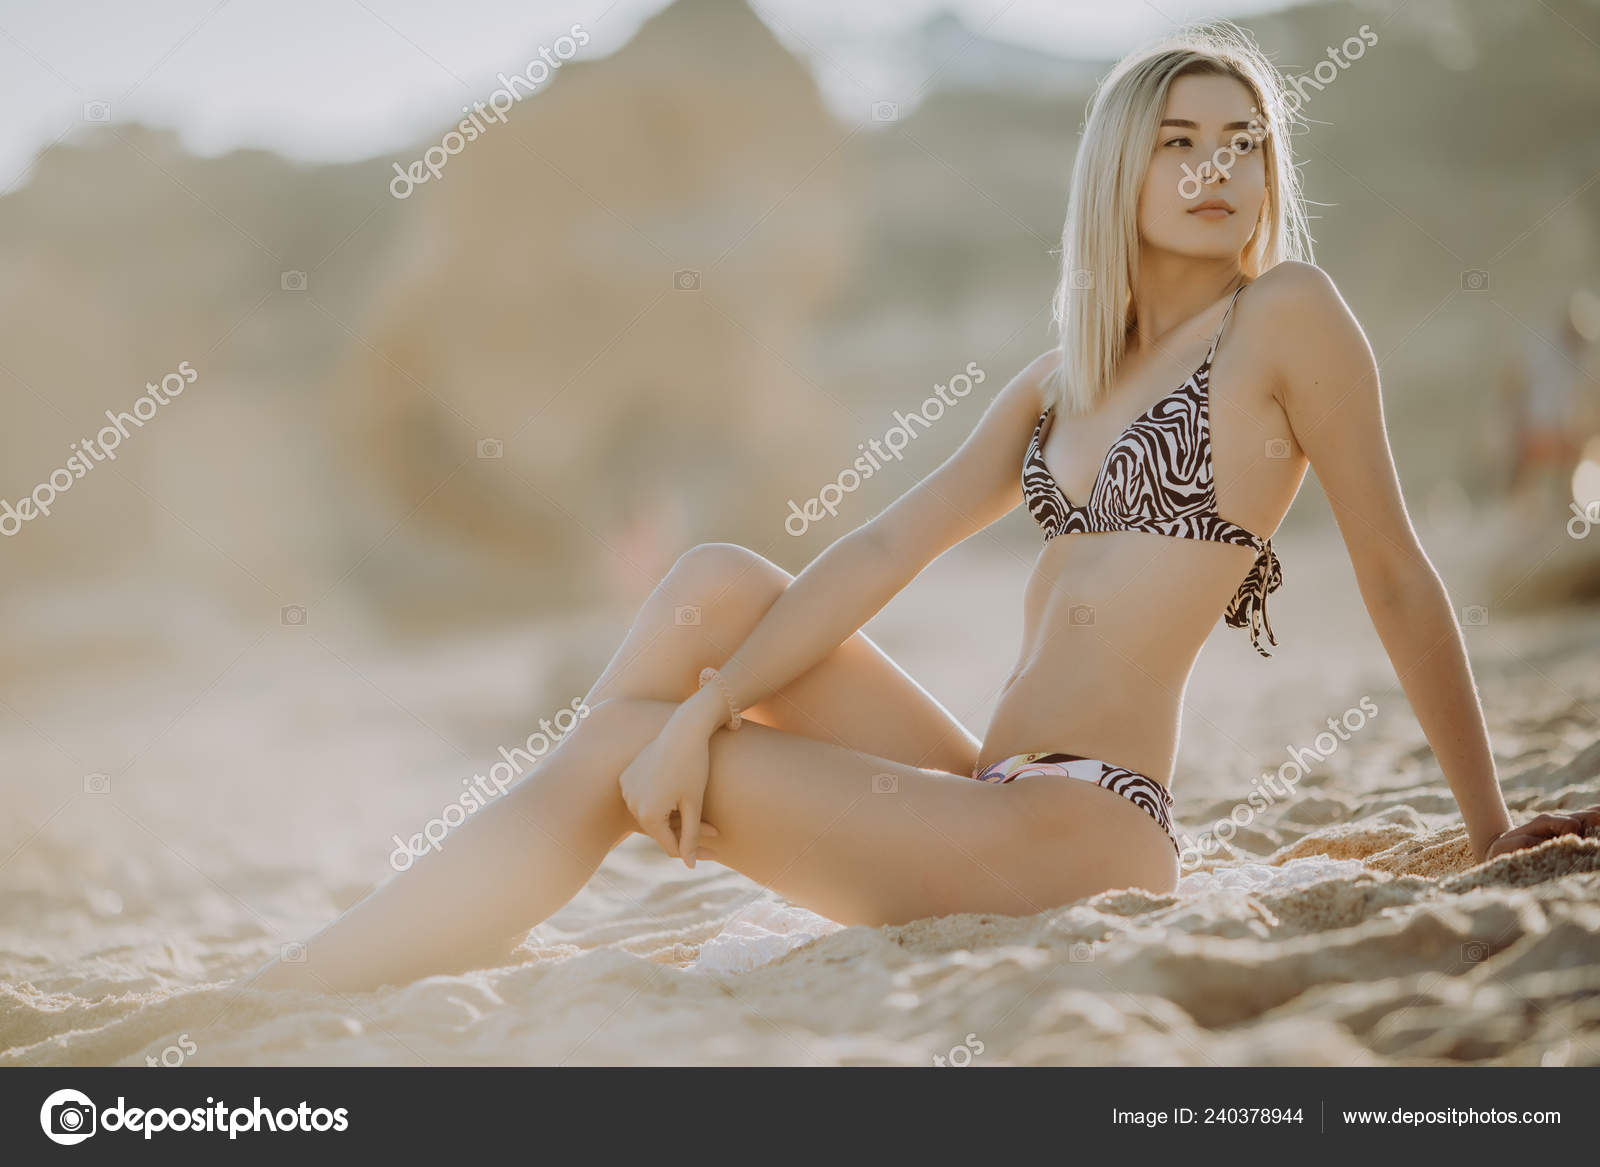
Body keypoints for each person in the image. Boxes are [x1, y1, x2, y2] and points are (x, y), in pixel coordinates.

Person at [252, 24, 1599, 994]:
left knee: (616, 743)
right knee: (714, 583)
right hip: (989, 792)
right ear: (1120, 171)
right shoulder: (1061, 381)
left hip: (1086, 831)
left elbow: (1396, 573)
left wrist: (1488, 828)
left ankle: (335, 969)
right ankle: (484, 889)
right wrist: (717, 705)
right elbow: (887, 546)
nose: (1217, 168)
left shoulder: (1287, 318)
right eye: (1180, 142)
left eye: (1244, 145)